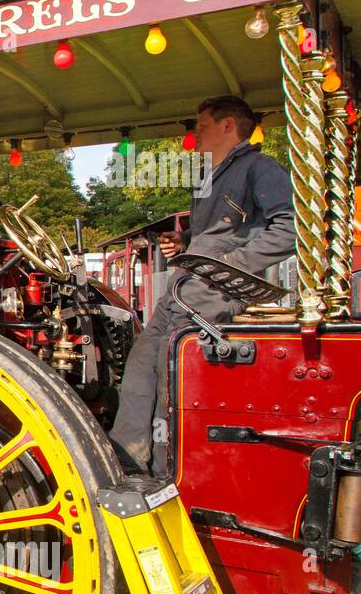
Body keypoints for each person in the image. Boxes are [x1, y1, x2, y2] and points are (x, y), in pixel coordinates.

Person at [110, 95, 295, 476]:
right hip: (181, 288)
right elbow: (219, 233)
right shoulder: (211, 175)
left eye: (203, 125)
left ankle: (167, 473)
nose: (196, 134)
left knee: (170, 378)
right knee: (140, 364)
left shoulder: (261, 167)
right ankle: (127, 461)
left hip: (215, 294)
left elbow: (288, 228)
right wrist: (185, 242)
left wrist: (231, 266)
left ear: (229, 125)